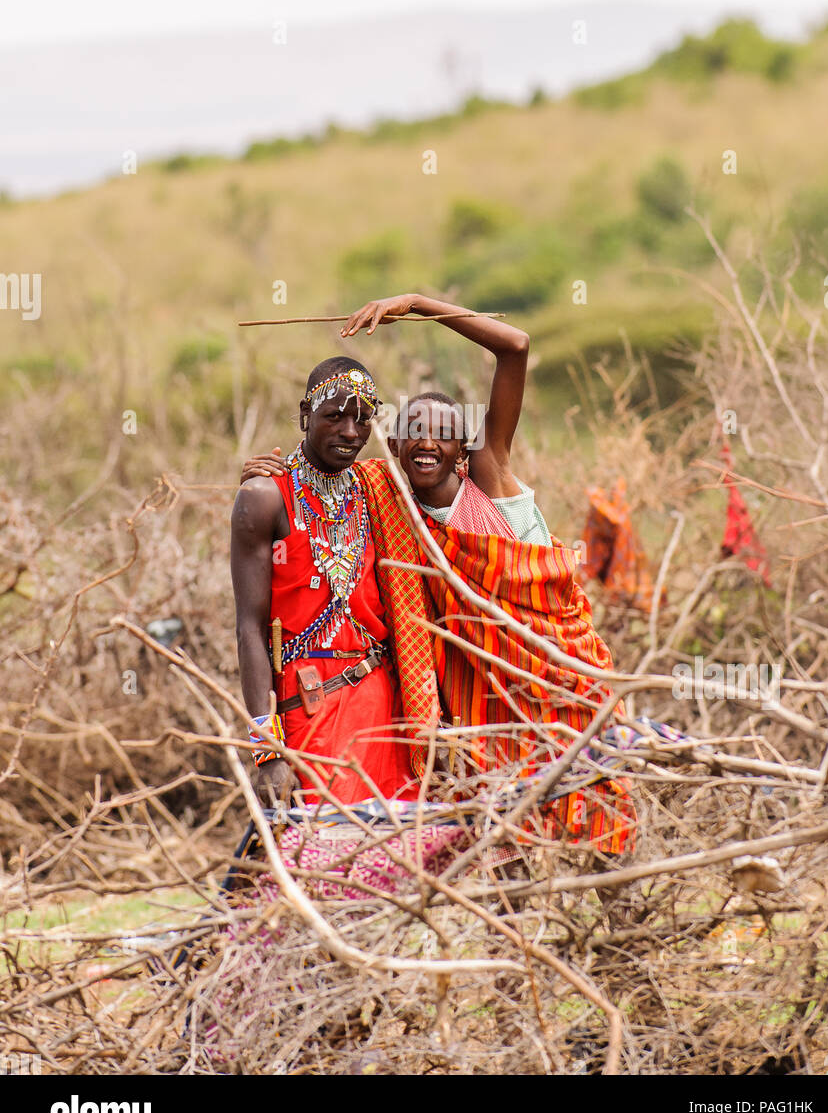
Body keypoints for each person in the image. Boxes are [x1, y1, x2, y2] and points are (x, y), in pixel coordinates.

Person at [241, 296, 636, 852]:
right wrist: (271, 479)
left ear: (464, 447)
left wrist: (418, 303)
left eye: (444, 432)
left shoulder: (489, 474)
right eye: (414, 431)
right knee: (502, 827)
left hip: (556, 667)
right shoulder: (386, 495)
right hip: (481, 689)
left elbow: (516, 346)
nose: (428, 440)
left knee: (592, 806)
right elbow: (316, 479)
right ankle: (518, 934)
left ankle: (615, 925)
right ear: (395, 445)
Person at [230, 355, 435, 808]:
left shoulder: (379, 487)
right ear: (305, 414)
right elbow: (249, 628)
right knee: (323, 852)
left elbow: (462, 468)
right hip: (307, 705)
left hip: (387, 706)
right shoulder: (264, 497)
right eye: (334, 416)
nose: (350, 432)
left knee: (396, 850)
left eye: (363, 419)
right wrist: (266, 751)